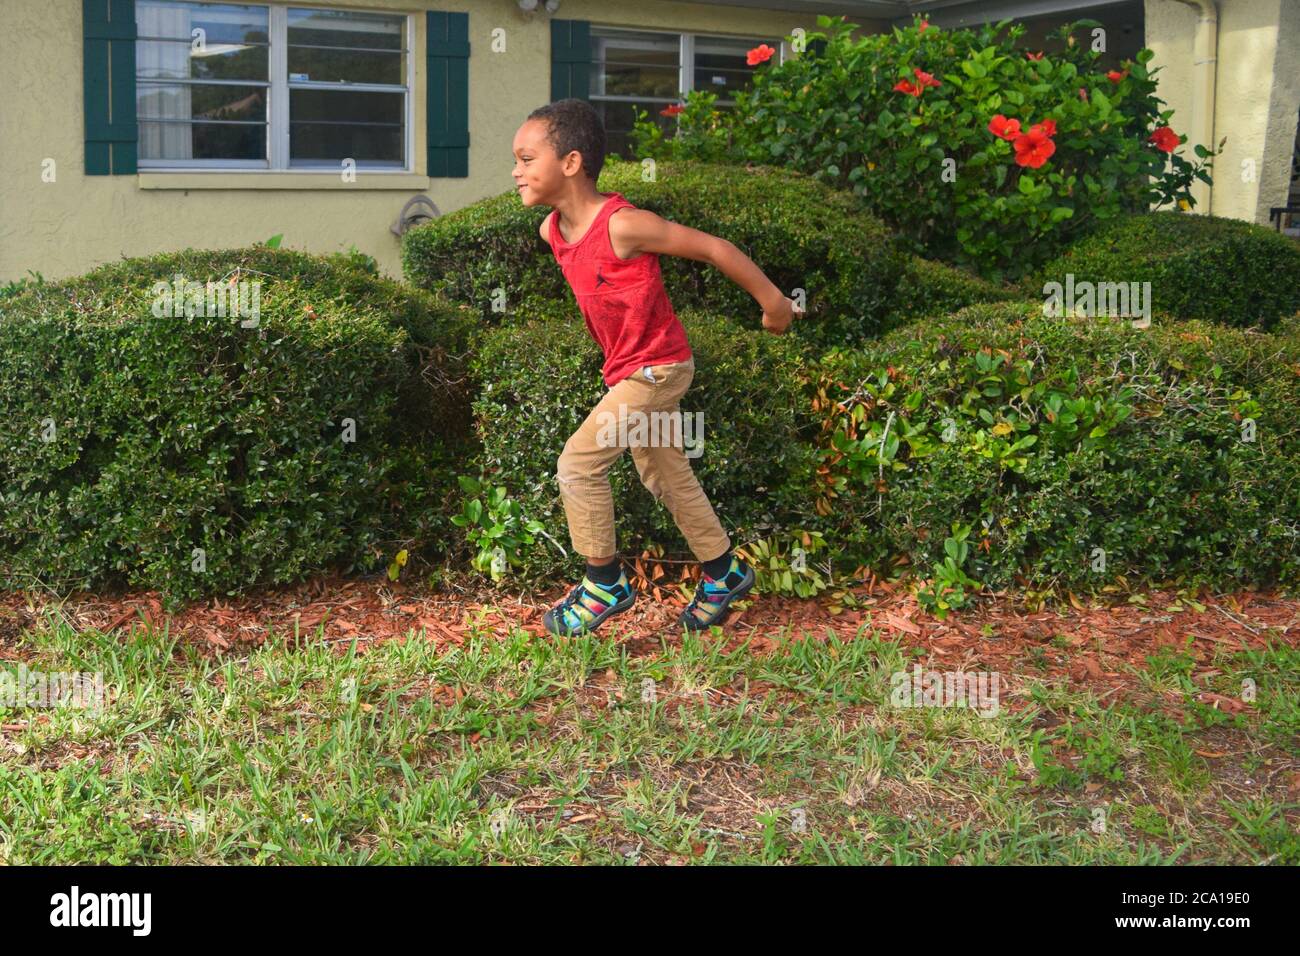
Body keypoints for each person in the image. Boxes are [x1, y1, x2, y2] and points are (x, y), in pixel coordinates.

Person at [511, 98, 797, 637]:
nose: (516, 171)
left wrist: (774, 302)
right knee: (663, 471)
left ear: (570, 163)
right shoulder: (553, 232)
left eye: (527, 159)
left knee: (578, 463)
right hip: (629, 372)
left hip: (658, 370)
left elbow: (713, 248)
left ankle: (603, 582)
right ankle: (723, 572)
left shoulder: (623, 225)